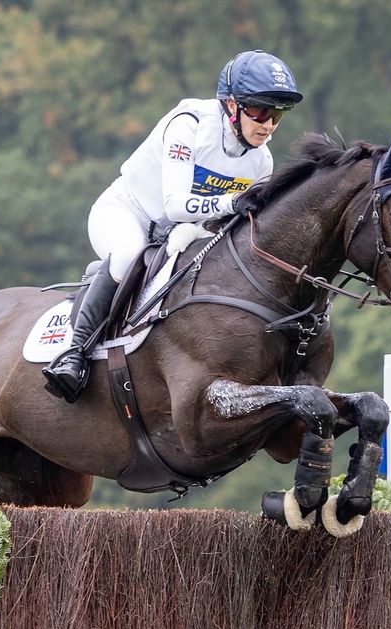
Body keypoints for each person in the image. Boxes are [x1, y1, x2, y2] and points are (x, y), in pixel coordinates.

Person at [42, 48, 303, 403]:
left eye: (277, 114)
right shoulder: (189, 125)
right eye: (259, 111)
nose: (268, 124)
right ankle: (73, 354)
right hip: (126, 212)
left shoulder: (261, 161)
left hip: (181, 233)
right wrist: (229, 203)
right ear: (231, 105)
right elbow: (174, 204)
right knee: (127, 256)